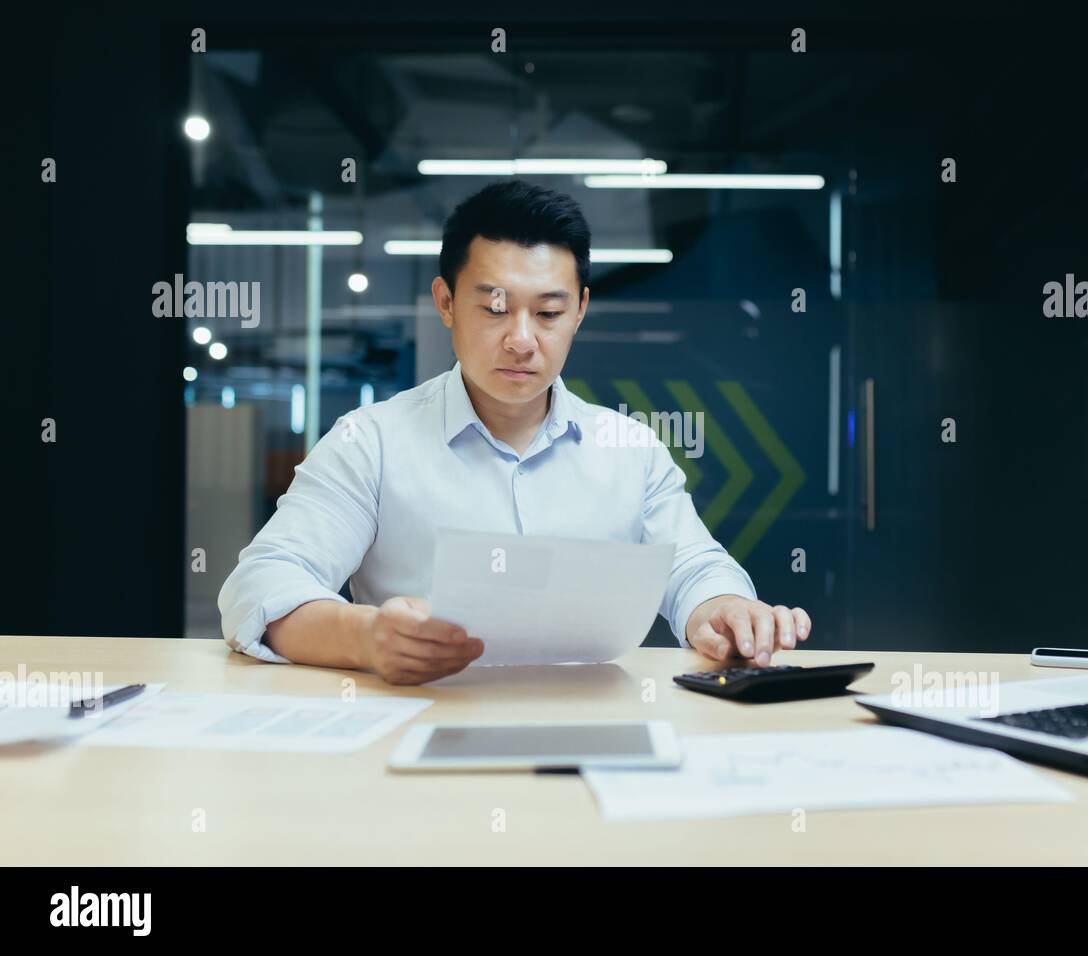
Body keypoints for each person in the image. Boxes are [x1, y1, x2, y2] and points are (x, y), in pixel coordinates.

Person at [218, 181, 811, 684]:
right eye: (495, 308)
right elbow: (261, 585)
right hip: (421, 727)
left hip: (594, 736)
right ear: (446, 302)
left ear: (580, 309)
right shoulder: (370, 442)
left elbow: (693, 568)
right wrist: (365, 638)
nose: (522, 340)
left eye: (549, 313)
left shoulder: (632, 450)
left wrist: (725, 608)